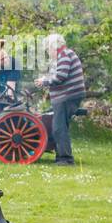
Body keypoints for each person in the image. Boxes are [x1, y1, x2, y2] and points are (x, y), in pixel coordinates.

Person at [35, 33, 85, 166]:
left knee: (59, 128)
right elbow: (57, 75)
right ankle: (62, 157)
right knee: (60, 127)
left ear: (53, 46)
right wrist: (45, 79)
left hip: (67, 96)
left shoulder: (64, 55)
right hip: (67, 96)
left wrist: (45, 81)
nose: (47, 51)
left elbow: (60, 77)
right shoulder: (64, 55)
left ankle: (66, 159)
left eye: (47, 48)